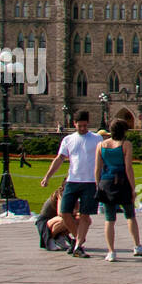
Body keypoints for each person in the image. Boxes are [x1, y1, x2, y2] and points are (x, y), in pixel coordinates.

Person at [39, 110, 102, 257]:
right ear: (74, 124)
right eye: (79, 126)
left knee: (85, 215)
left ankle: (78, 245)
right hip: (72, 181)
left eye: (85, 126)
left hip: (90, 182)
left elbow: (103, 159)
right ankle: (79, 239)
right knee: (65, 213)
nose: (82, 129)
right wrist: (47, 177)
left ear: (88, 124)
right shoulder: (68, 139)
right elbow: (59, 159)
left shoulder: (97, 138)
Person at [94, 119, 142, 261]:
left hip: (106, 183)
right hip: (122, 182)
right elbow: (128, 168)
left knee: (109, 219)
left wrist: (98, 185)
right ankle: (137, 246)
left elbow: (97, 169)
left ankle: (111, 251)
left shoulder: (101, 145)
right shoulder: (126, 145)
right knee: (130, 215)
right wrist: (133, 188)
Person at [35, 184, 75, 251]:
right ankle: (51, 238)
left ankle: (60, 236)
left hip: (56, 219)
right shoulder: (60, 194)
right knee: (65, 219)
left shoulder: (74, 195)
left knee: (78, 219)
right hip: (45, 221)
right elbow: (60, 213)